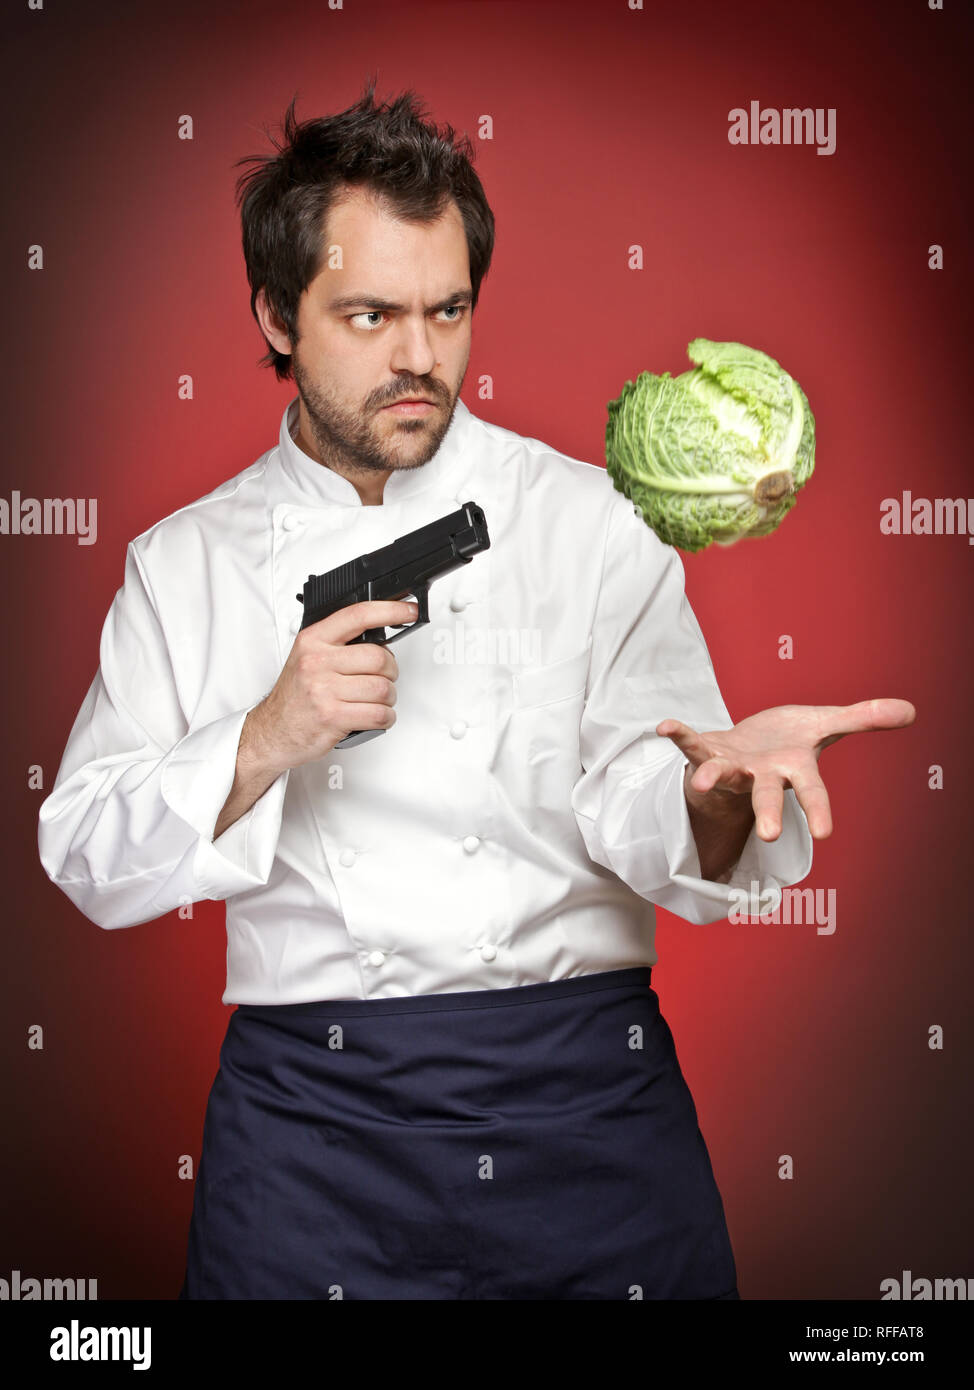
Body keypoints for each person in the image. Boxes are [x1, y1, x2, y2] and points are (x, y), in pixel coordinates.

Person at [36, 81, 915, 1301]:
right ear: (276, 315)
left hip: (586, 1112)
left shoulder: (590, 520)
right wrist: (265, 735)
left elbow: (650, 807)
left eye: (448, 309)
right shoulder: (181, 563)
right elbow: (84, 855)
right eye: (369, 313)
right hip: (310, 1137)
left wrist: (720, 789)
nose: (418, 356)